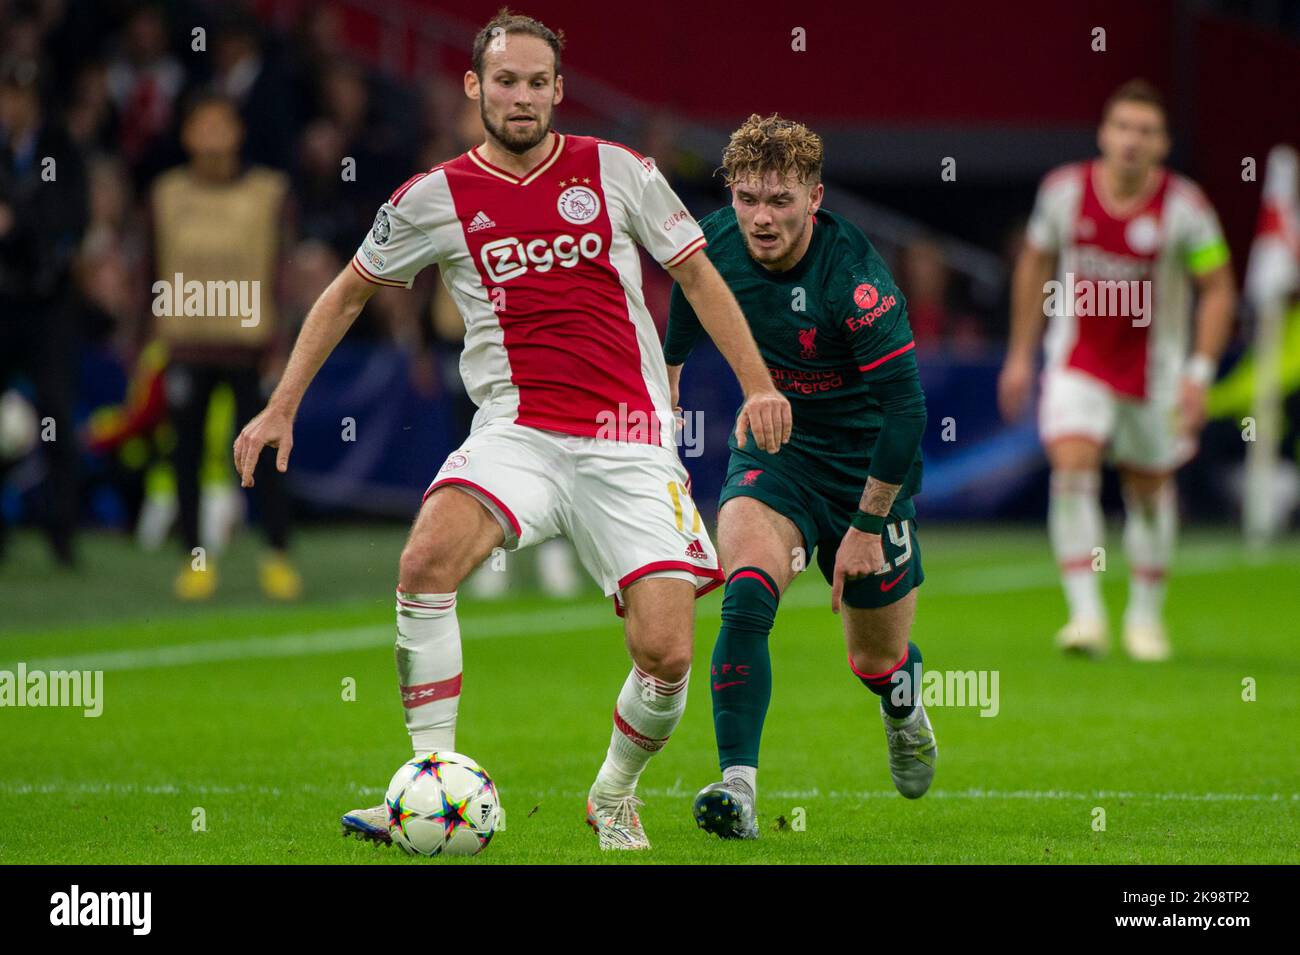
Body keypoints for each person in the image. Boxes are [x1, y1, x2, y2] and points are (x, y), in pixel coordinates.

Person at [233, 11, 790, 850]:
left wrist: (757, 385)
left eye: (537, 82)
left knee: (668, 653)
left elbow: (700, 277)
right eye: (505, 80)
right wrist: (281, 404)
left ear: (559, 91)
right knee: (424, 559)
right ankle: (426, 786)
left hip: (629, 439)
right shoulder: (433, 197)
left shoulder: (619, 171)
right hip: (517, 432)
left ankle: (612, 791)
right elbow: (347, 290)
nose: (521, 96)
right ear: (475, 87)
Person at [665, 114, 936, 839]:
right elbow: (679, 325)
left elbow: (907, 411)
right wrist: (660, 420)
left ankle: (903, 704)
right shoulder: (713, 242)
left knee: (874, 657)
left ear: (813, 199)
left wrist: (867, 527)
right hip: (776, 456)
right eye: (748, 197)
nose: (761, 217)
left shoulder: (854, 278)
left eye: (780, 200)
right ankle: (738, 789)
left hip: (867, 467)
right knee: (746, 594)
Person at [997, 79, 1236, 660]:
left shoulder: (1187, 208)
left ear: (1162, 144)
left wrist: (1200, 373)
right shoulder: (1064, 192)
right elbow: (1035, 261)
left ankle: (1145, 620)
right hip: (1078, 359)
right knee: (1072, 461)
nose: (1132, 140)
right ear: (1105, 134)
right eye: (1123, 127)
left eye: (1146, 131)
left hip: (1154, 372)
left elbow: (1219, 289)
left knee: (1149, 489)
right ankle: (1085, 617)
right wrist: (1020, 355)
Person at [153, 93, 299, 600]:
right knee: (186, 456)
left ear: (239, 132)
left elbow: (285, 270)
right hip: (187, 346)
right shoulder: (166, 193)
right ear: (186, 134)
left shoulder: (268, 192)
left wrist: (284, 343)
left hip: (252, 348)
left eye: (222, 123)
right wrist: (143, 340)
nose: (213, 134)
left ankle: (277, 555)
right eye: (202, 123)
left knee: (268, 455)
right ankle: (195, 559)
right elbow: (146, 267)